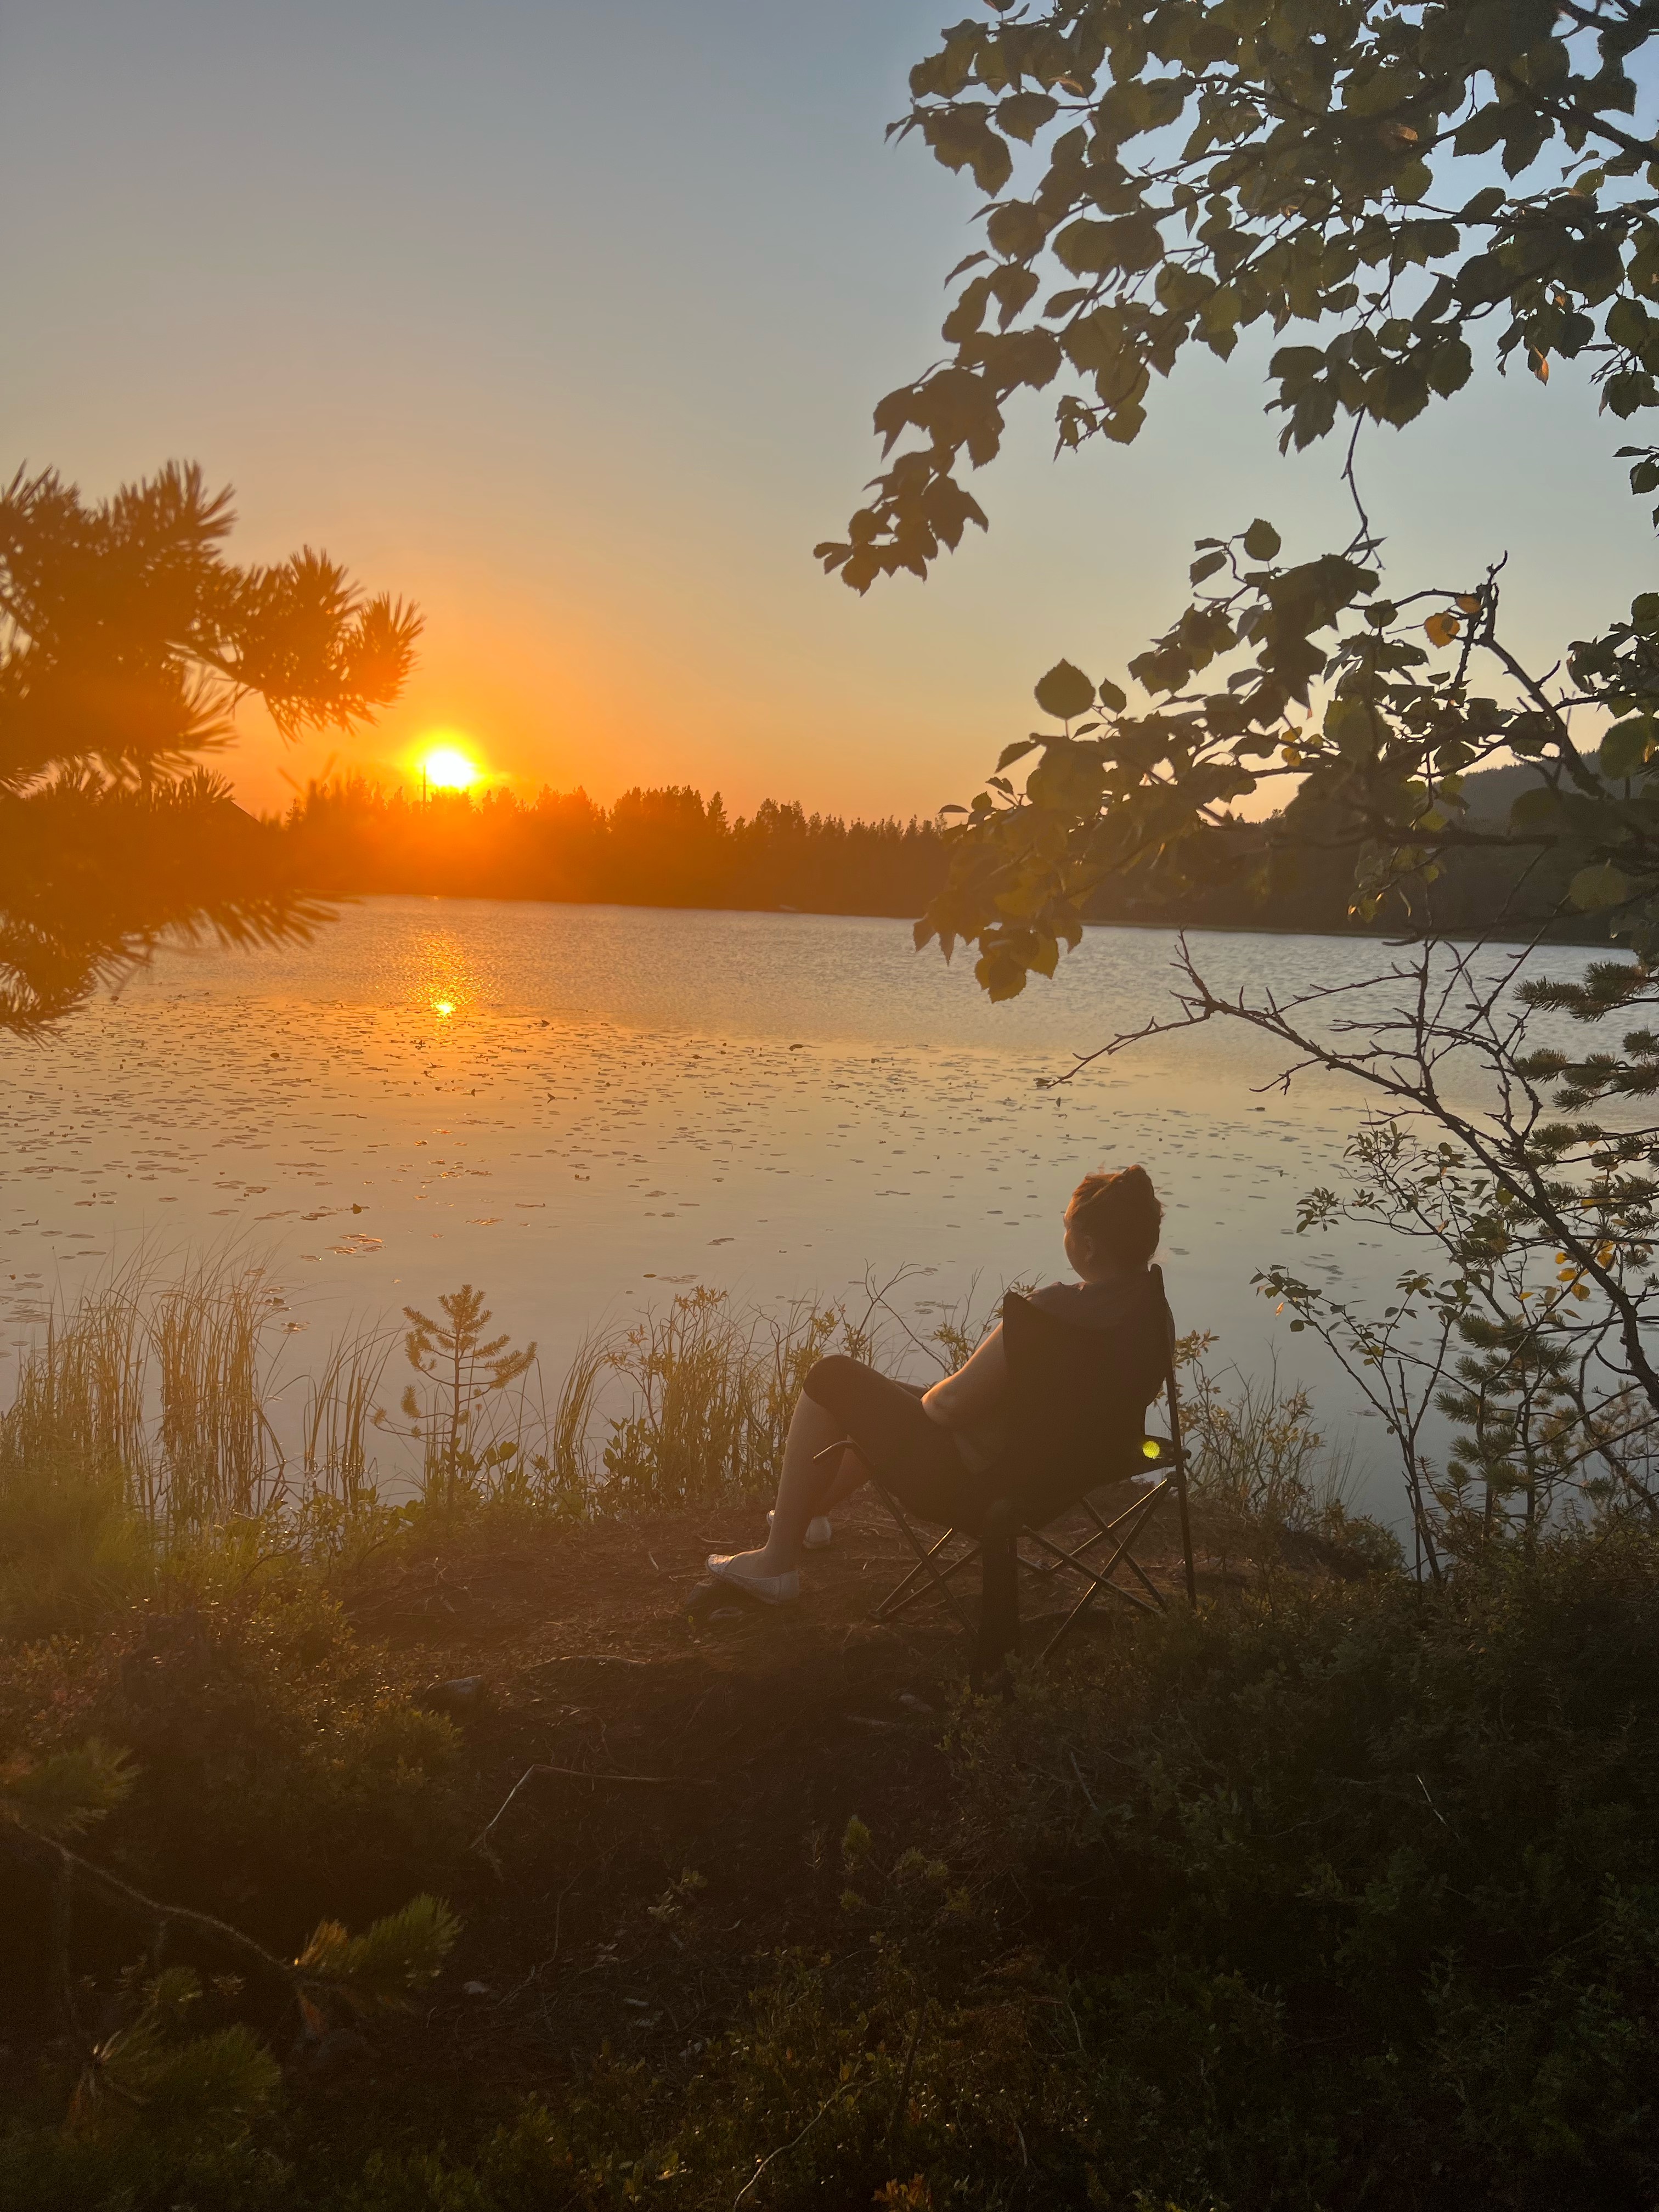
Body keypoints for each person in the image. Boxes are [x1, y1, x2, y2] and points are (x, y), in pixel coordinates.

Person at [707, 1164, 1165, 1604]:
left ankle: (775, 1563)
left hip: (980, 1488)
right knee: (891, 1396)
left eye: (1066, 1226)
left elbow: (946, 1409)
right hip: (1058, 1481)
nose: (1063, 1234)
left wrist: (932, 1401)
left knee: (831, 1378)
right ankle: (812, 1514)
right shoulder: (1150, 1315)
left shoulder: (1049, 1314)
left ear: (1088, 1247)